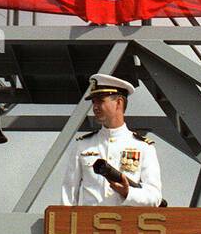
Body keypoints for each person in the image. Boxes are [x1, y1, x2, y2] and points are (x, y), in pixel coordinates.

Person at [61, 73, 162, 207]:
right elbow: (68, 195)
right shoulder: (83, 145)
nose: (95, 107)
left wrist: (128, 193)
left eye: (100, 101)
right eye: (93, 102)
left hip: (127, 225)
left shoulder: (143, 147)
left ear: (119, 103)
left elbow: (154, 197)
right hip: (89, 225)